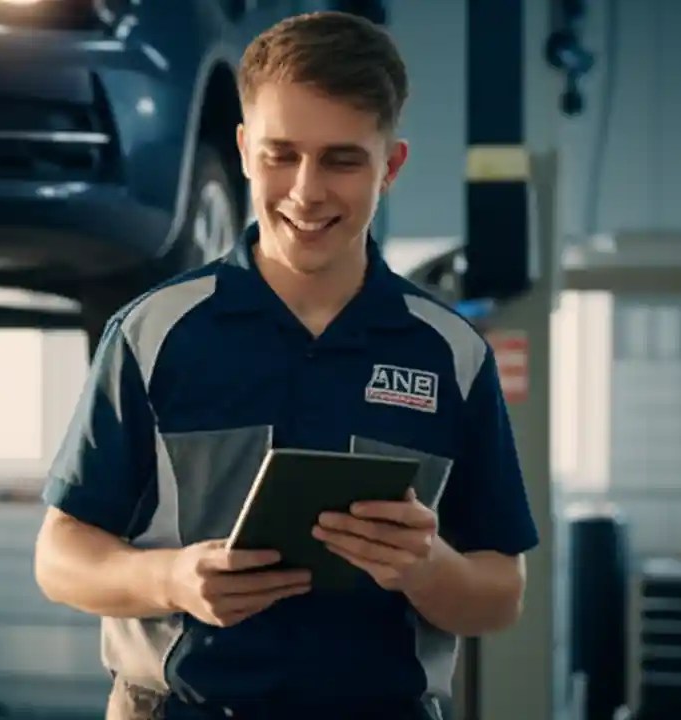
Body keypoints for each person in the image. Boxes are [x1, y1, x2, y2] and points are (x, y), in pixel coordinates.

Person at [34, 12, 538, 720]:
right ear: (243, 150)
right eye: (281, 154)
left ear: (389, 165)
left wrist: (429, 569)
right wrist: (171, 577)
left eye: (341, 159)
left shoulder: (449, 355)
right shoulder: (155, 333)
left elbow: (501, 591)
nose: (306, 190)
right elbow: (59, 557)